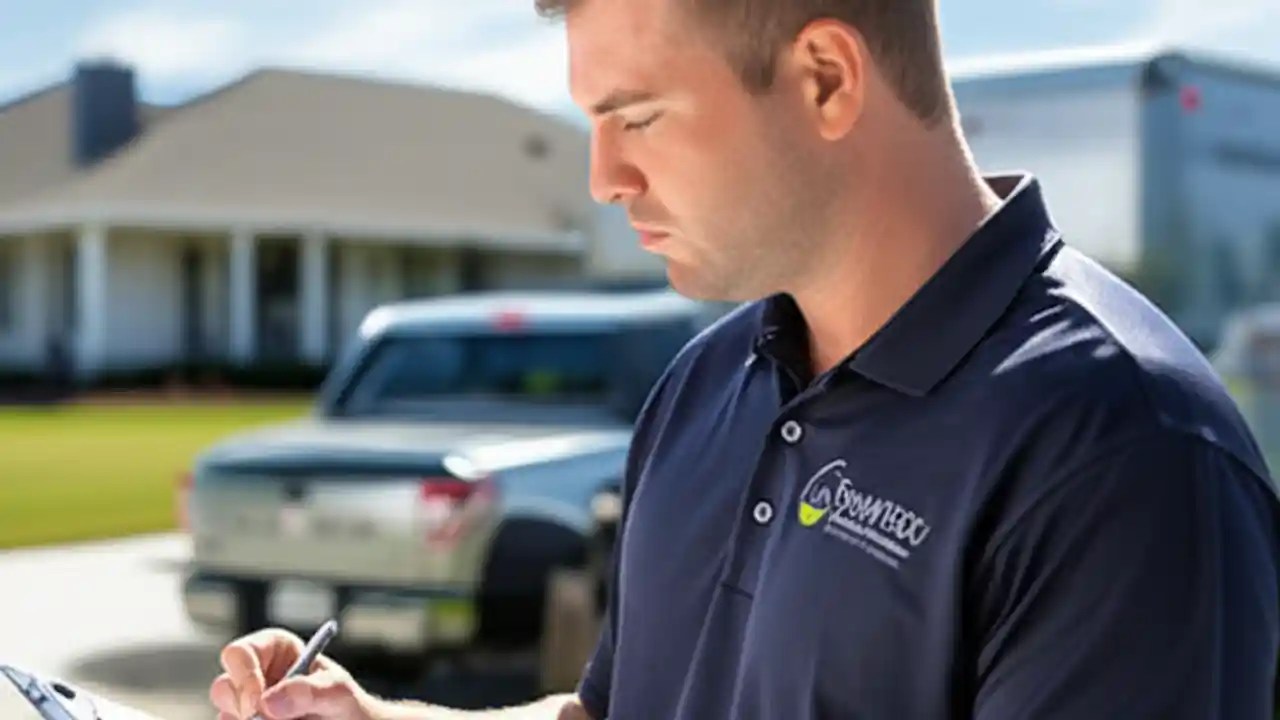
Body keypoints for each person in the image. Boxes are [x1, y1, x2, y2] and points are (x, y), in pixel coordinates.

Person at [210, 0, 1280, 717]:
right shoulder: (705, 384)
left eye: (635, 117)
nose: (603, 178)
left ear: (822, 77)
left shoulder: (1125, 453)